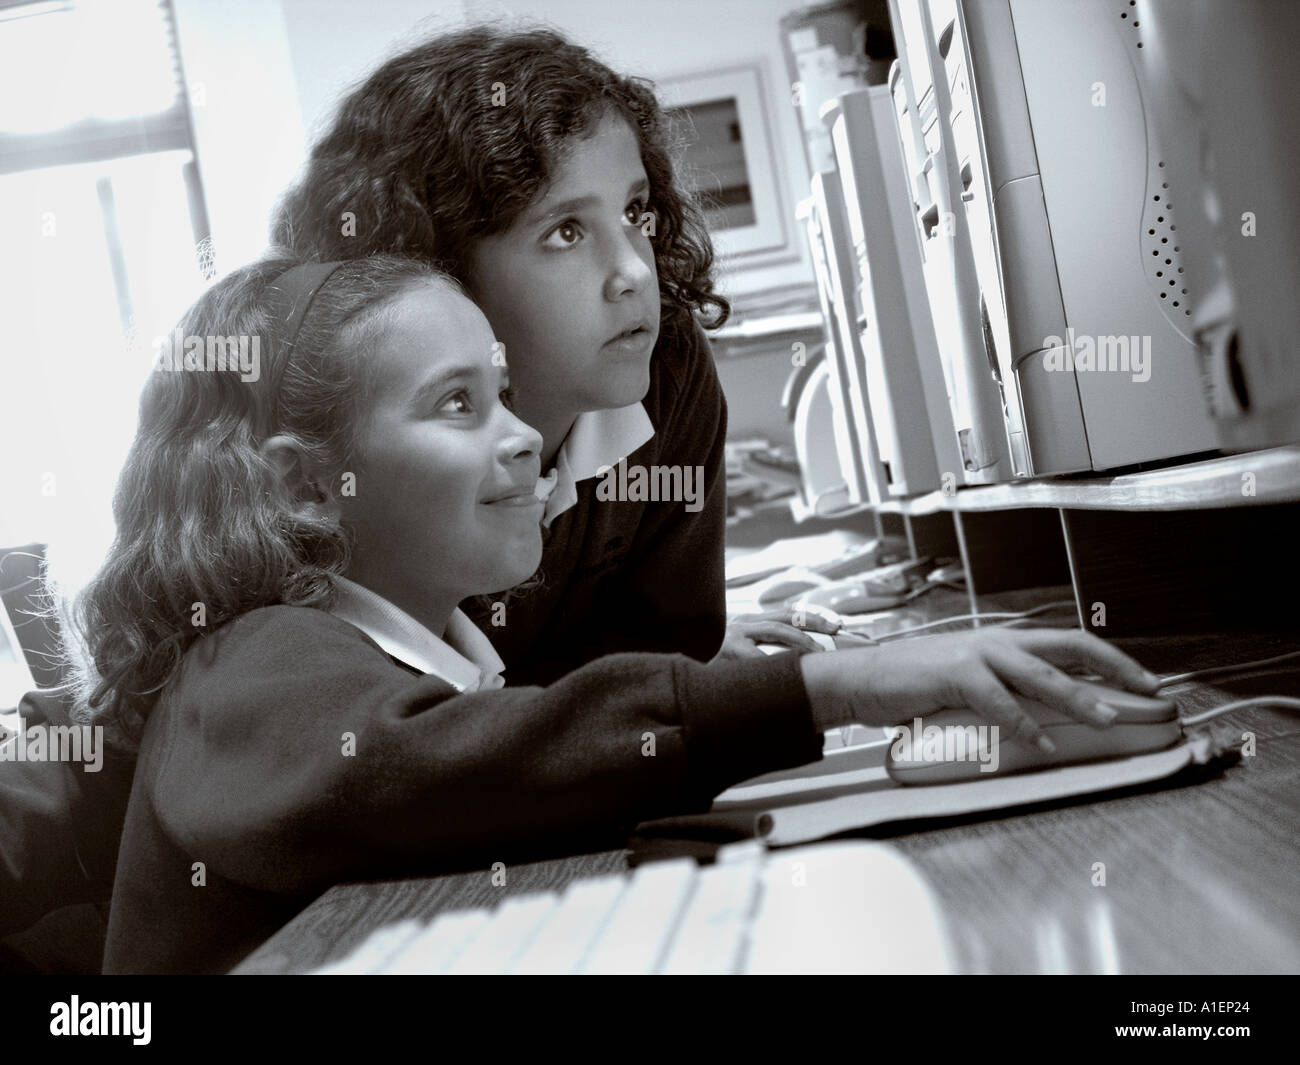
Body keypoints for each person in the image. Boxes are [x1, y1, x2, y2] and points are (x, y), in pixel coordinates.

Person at [78, 255, 1161, 973]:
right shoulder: (251, 660)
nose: (517, 437)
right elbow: (427, 771)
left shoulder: (431, 651)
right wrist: (833, 686)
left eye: (503, 395)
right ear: (311, 486)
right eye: (456, 405)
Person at [271, 24, 833, 682]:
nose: (635, 273)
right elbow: (419, 742)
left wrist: (699, 684)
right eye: (566, 231)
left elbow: (665, 665)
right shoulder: (365, 457)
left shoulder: (667, 369)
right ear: (434, 268)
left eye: (635, 211)